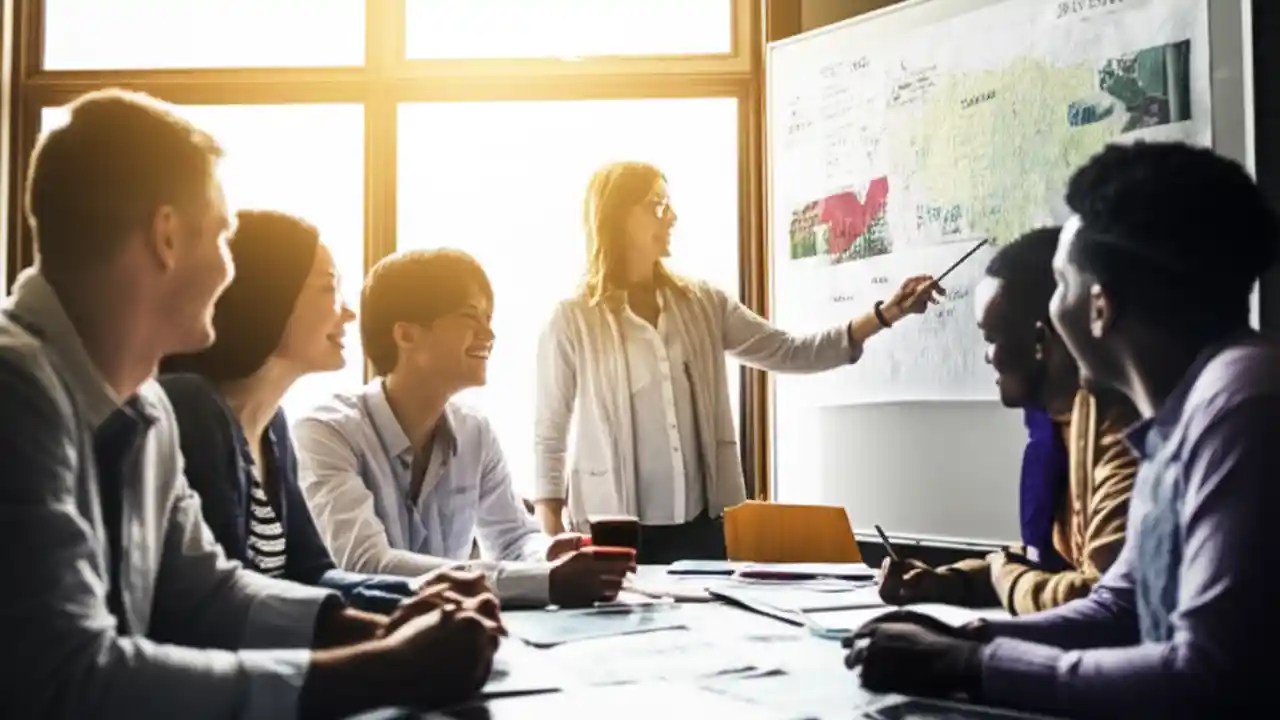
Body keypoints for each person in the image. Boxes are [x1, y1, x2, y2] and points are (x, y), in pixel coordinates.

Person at [0, 89, 505, 719]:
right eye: (222, 236)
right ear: (166, 238)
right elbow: (68, 680)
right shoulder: (15, 391)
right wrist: (388, 668)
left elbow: (207, 593)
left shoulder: (146, 407)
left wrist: (387, 628)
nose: (229, 270)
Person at [845, 142, 1280, 718]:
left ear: (1099, 307)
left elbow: (1206, 676)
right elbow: (1116, 609)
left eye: (1058, 285)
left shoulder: (1241, 403)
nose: (1046, 317)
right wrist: (966, 639)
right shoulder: (1186, 410)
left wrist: (969, 665)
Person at [534, 160, 943, 564]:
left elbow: (790, 351)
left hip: (703, 530)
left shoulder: (703, 303)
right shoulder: (572, 320)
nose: (672, 215)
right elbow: (549, 436)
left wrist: (885, 314)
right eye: (657, 204)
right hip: (611, 533)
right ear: (618, 216)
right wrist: (550, 544)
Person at [294, 248, 632, 608]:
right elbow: (366, 564)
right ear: (406, 334)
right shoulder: (326, 433)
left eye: (489, 318)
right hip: (369, 643)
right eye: (471, 317)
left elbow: (514, 539)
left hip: (457, 632)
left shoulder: (476, 432)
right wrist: (544, 581)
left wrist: (548, 555)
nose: (489, 334)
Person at [160, 209, 423, 613]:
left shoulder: (274, 426)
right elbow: (228, 600)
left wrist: (421, 596)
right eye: (329, 288)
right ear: (271, 294)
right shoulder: (192, 410)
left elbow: (312, 571)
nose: (348, 312)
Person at [879, 227, 1138, 615]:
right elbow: (1048, 561)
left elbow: (1097, 603)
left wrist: (1002, 573)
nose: (987, 357)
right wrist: (953, 581)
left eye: (990, 338)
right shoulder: (1058, 425)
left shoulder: (1124, 435)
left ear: (1040, 342)